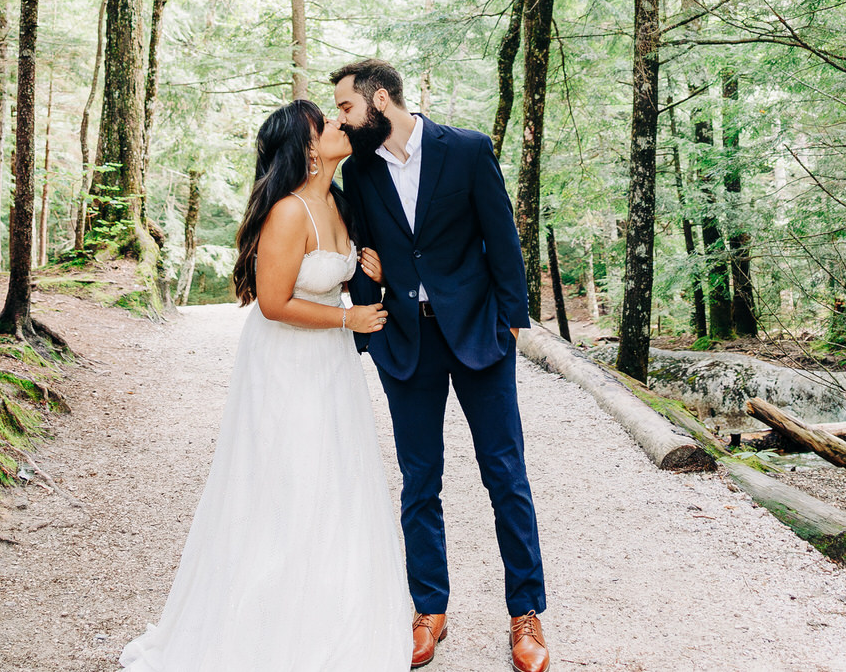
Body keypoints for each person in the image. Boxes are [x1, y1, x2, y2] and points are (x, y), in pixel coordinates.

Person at [121, 100, 411, 672]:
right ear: (308, 149)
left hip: (330, 364)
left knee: (337, 477)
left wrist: (370, 270)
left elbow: (340, 275)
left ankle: (331, 617)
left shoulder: (340, 202)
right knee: (289, 480)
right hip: (285, 363)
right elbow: (274, 303)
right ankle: (266, 627)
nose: (339, 124)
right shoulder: (287, 212)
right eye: (325, 123)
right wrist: (347, 319)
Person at [333, 58, 549, 672]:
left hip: (480, 335)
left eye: (347, 107)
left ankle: (525, 613)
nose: (342, 120)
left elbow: (502, 237)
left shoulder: (468, 149)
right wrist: (371, 321)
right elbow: (363, 248)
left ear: (379, 99)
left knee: (505, 475)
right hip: (407, 341)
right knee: (419, 481)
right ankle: (429, 609)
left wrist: (512, 321)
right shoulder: (360, 170)